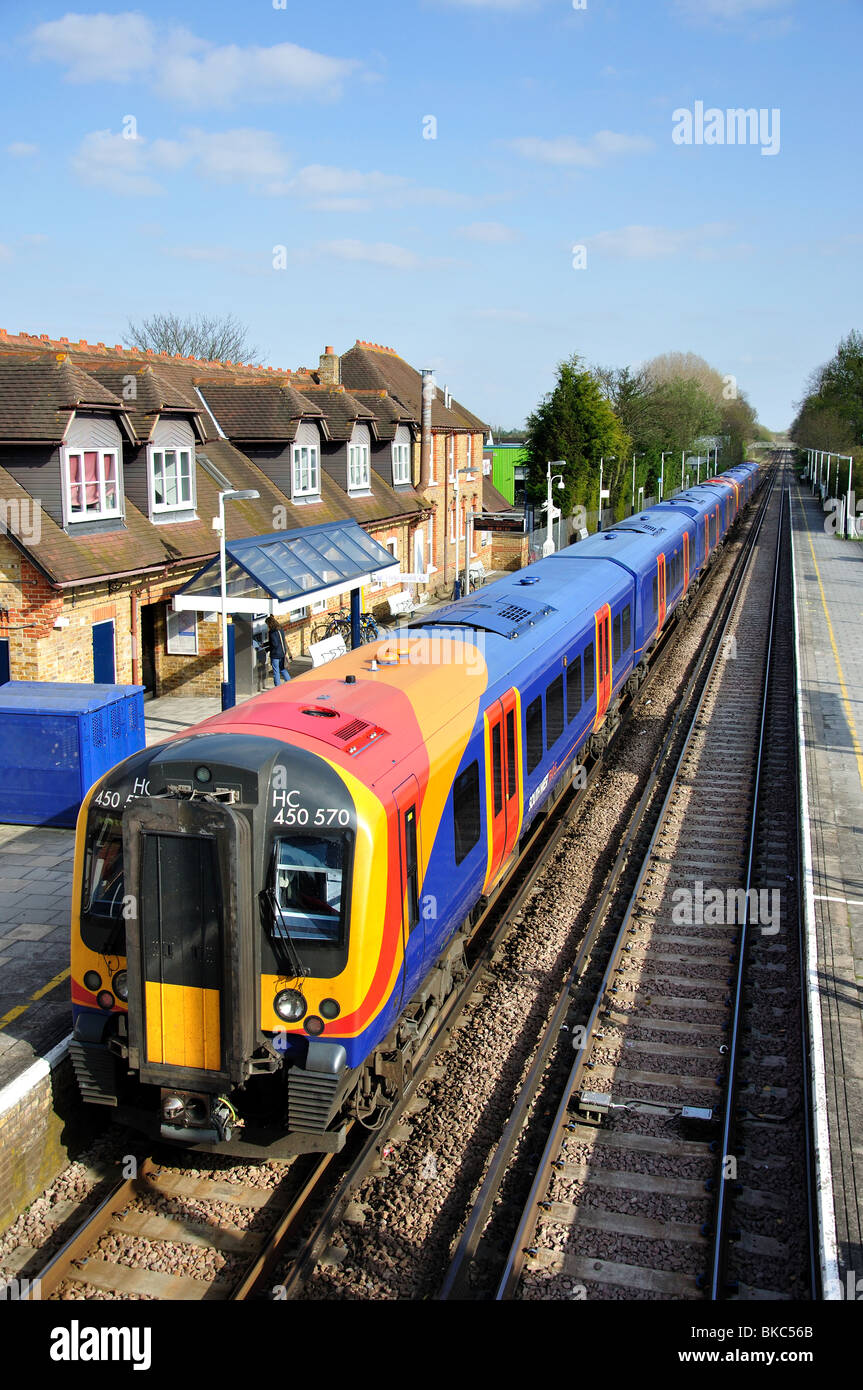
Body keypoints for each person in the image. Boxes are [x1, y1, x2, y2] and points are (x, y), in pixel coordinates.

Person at [266, 615, 291, 685]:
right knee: (283, 669)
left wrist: (267, 649)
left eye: (267, 624)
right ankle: (290, 683)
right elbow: (280, 641)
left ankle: (277, 687)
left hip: (275, 655)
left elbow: (274, 644)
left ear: (269, 624)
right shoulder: (280, 629)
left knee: (276, 671)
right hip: (282, 653)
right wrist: (265, 644)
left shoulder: (272, 632)